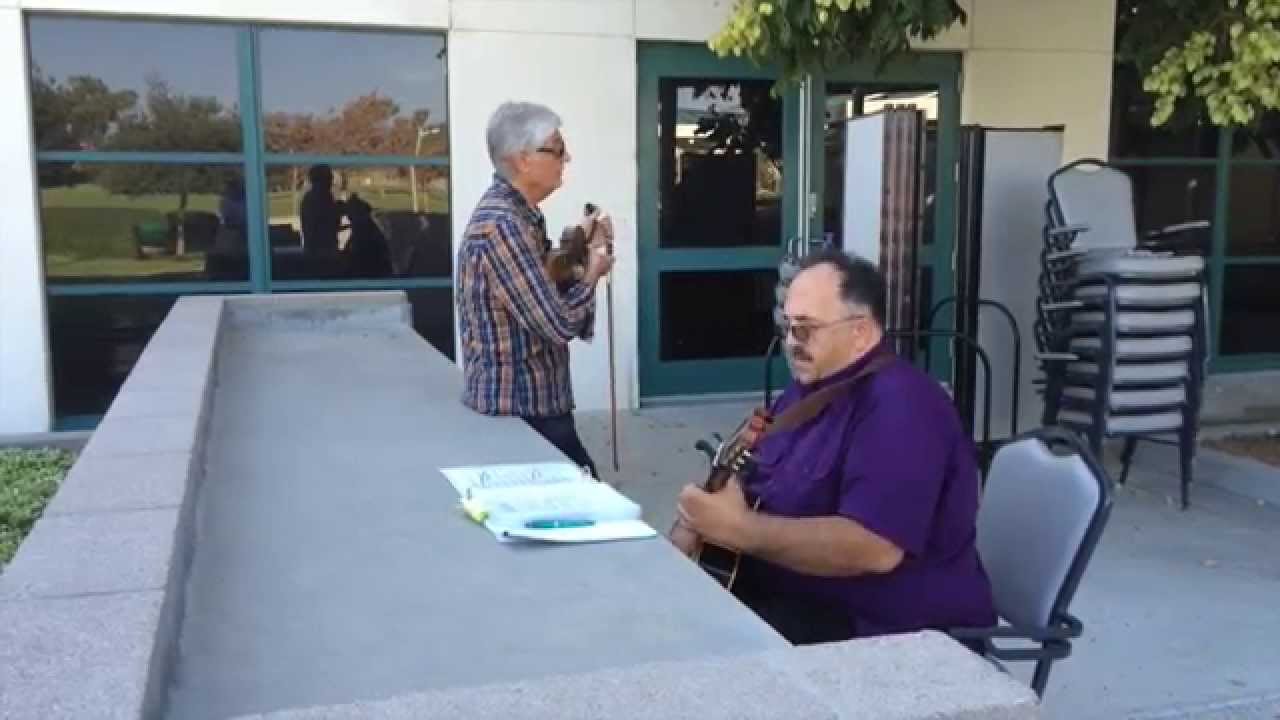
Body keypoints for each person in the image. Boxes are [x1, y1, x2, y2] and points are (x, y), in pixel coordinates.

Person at [671, 250, 996, 646]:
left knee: (692, 645)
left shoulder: (903, 406)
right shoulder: (808, 391)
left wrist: (741, 531)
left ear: (859, 332)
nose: (792, 343)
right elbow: (754, 481)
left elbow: (874, 547)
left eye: (806, 329)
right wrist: (700, 523)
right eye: (787, 327)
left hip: (883, 631)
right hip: (795, 598)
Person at [455, 101, 614, 478]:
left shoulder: (522, 216)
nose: (566, 158)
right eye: (556, 149)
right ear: (522, 159)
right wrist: (592, 272)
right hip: (521, 408)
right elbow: (556, 323)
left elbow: (538, 287)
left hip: (536, 401)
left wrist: (576, 246)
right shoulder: (503, 226)